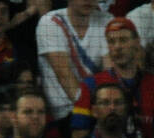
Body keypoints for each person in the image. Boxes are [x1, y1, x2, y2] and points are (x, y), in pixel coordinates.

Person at [71, 16, 154, 138]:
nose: (117, 47)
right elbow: (79, 135)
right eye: (112, 42)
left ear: (137, 43)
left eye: (123, 40)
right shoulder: (90, 85)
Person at [36, 0, 109, 129]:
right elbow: (64, 76)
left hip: (98, 109)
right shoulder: (50, 22)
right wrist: (87, 112)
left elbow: (110, 72)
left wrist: (104, 109)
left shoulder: (106, 20)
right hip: (62, 113)